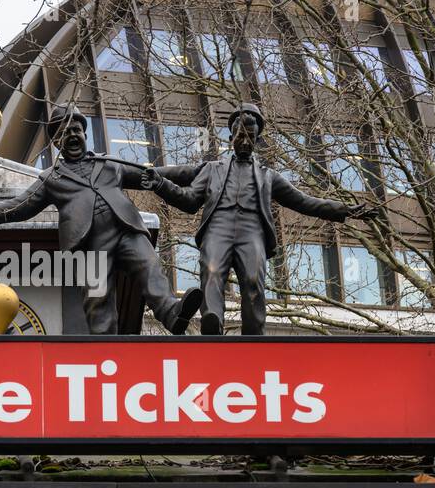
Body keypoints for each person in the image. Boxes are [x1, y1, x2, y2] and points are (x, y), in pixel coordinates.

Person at [0, 105, 203, 335]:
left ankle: (172, 314)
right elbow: (20, 206)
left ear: (84, 134)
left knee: (150, 268)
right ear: (57, 141)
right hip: (90, 243)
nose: (71, 135)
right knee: (98, 299)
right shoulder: (51, 178)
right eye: (64, 133)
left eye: (76, 130)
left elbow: (154, 174)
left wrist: (198, 172)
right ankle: (106, 351)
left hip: (127, 230)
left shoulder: (109, 164)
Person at [142, 102, 381, 335]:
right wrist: (161, 185)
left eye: (250, 138)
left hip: (251, 232)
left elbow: (306, 202)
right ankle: (212, 321)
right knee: (212, 272)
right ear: (231, 138)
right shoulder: (212, 169)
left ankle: (255, 337)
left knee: (254, 282)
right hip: (218, 229)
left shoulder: (269, 177)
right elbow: (189, 200)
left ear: (257, 141)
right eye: (241, 136)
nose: (245, 142)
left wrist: (347, 210)